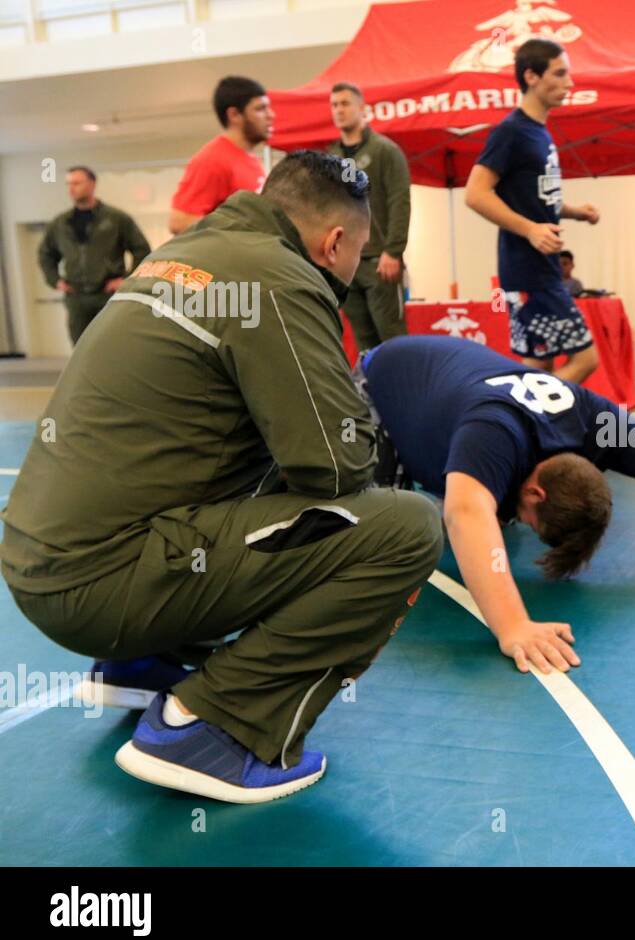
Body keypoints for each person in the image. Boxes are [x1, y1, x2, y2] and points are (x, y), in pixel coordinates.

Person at [1, 151, 442, 803]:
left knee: (236, 458)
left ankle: (142, 662)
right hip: (100, 583)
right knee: (403, 528)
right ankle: (212, 730)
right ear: (335, 242)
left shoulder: (181, 254)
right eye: (360, 252)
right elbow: (337, 464)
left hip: (41, 561)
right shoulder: (280, 278)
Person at [355, 334, 635, 675]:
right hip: (381, 384)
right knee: (388, 525)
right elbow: (464, 514)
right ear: (536, 492)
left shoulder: (597, 422)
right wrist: (513, 626)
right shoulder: (494, 432)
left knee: (483, 502)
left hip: (445, 385)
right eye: (533, 522)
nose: (527, 527)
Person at [465, 38, 601, 384]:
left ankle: (526, 417)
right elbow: (475, 194)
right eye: (559, 73)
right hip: (529, 273)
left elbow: (537, 200)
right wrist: (530, 229)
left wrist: (575, 212)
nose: (569, 82)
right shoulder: (511, 132)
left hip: (540, 269)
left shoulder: (540, 133)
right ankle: (527, 414)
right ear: (531, 76)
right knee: (585, 359)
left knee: (539, 366)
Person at [326, 81, 413, 349]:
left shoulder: (385, 151)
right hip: (346, 265)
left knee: (393, 341)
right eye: (334, 105)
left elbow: (400, 201)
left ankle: (401, 380)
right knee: (364, 345)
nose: (339, 110)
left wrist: (393, 251)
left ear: (362, 108)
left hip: (380, 261)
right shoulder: (332, 156)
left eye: (345, 103)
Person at [38, 165, 151, 344]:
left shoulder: (116, 219)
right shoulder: (60, 223)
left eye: (77, 183)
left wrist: (127, 280)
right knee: (80, 347)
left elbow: (142, 250)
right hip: (76, 297)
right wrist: (56, 280)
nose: (71, 188)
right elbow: (45, 254)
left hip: (107, 294)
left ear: (92, 184)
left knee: (114, 343)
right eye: (68, 184)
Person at [169, 76, 274, 235]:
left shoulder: (250, 159)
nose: (271, 115)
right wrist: (240, 236)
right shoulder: (212, 159)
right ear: (234, 115)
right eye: (260, 109)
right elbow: (180, 222)